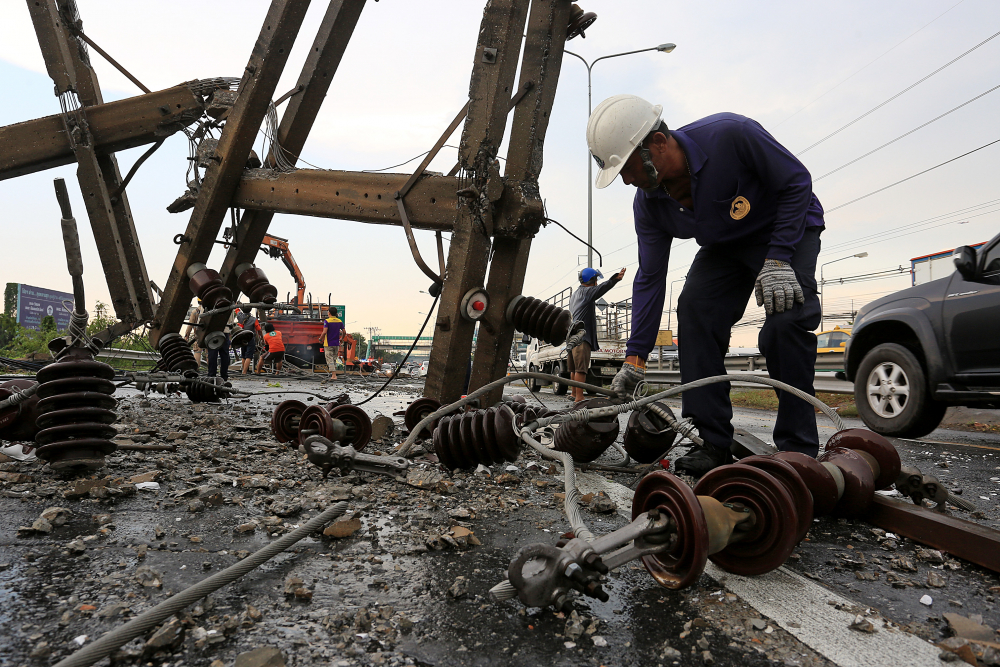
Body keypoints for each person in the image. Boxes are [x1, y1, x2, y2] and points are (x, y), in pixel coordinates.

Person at [589, 94, 824, 477]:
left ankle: (798, 449)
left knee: (786, 322)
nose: (628, 181)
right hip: (725, 246)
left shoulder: (732, 135)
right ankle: (711, 440)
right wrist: (636, 355)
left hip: (785, 228)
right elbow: (650, 277)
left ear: (659, 144)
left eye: (630, 169)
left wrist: (779, 256)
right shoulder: (649, 203)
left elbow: (797, 182)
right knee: (695, 311)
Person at [567, 267, 626, 402]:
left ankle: (574, 393)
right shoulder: (587, 292)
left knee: (574, 368)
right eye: (595, 279)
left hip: (572, 336)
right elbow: (603, 288)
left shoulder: (576, 294)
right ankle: (579, 398)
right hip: (582, 337)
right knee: (581, 369)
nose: (597, 283)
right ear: (591, 280)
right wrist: (615, 278)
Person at [207, 310, 237, 382]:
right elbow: (231, 322)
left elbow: (203, 319)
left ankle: (212, 374)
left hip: (212, 332)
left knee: (212, 353)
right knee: (224, 354)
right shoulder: (229, 305)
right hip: (225, 332)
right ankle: (224, 375)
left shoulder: (208, 304)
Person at [319, 307, 344, 381]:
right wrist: (342, 338)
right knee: (334, 359)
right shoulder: (339, 321)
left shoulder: (327, 321)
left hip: (328, 343)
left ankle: (334, 375)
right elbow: (344, 332)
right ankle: (333, 374)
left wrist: (320, 339)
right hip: (336, 343)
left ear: (329, 313)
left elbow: (324, 332)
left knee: (329, 359)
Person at [182, 299, 203, 368]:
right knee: (209, 352)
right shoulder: (209, 310)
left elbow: (190, 325)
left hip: (198, 335)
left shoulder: (195, 312)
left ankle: (196, 368)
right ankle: (210, 372)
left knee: (197, 351)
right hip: (208, 335)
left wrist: (186, 336)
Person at [236, 311, 259, 376]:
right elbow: (258, 329)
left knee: (243, 355)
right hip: (250, 338)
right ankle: (244, 372)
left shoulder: (240, 316)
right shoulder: (254, 319)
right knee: (249, 356)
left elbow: (237, 310)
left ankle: (244, 371)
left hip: (242, 338)